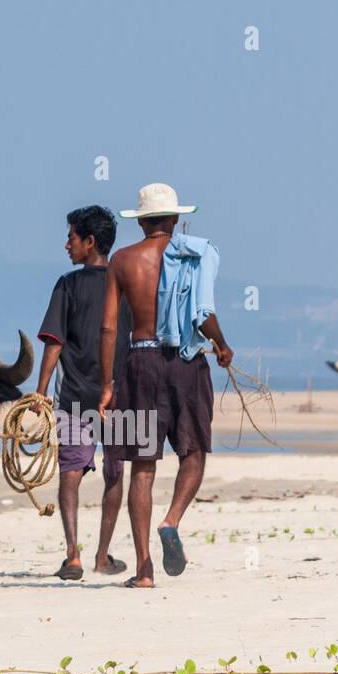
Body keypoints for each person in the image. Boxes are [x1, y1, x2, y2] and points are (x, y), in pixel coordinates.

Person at [99, 183, 233, 588]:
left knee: (142, 465)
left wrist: (108, 383)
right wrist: (222, 345)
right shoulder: (193, 255)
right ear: (175, 219)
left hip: (140, 360)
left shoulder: (122, 261)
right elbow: (203, 312)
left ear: (140, 222)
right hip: (186, 363)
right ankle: (171, 519)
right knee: (192, 450)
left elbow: (107, 328)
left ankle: (143, 570)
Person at [34, 205, 131, 580]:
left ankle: (73, 555)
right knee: (116, 472)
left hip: (75, 398)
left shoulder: (68, 285)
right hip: (122, 398)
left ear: (90, 243)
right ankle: (102, 556)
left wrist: (41, 391)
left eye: (71, 238)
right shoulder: (126, 282)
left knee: (71, 474)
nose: (66, 245)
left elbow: (54, 342)